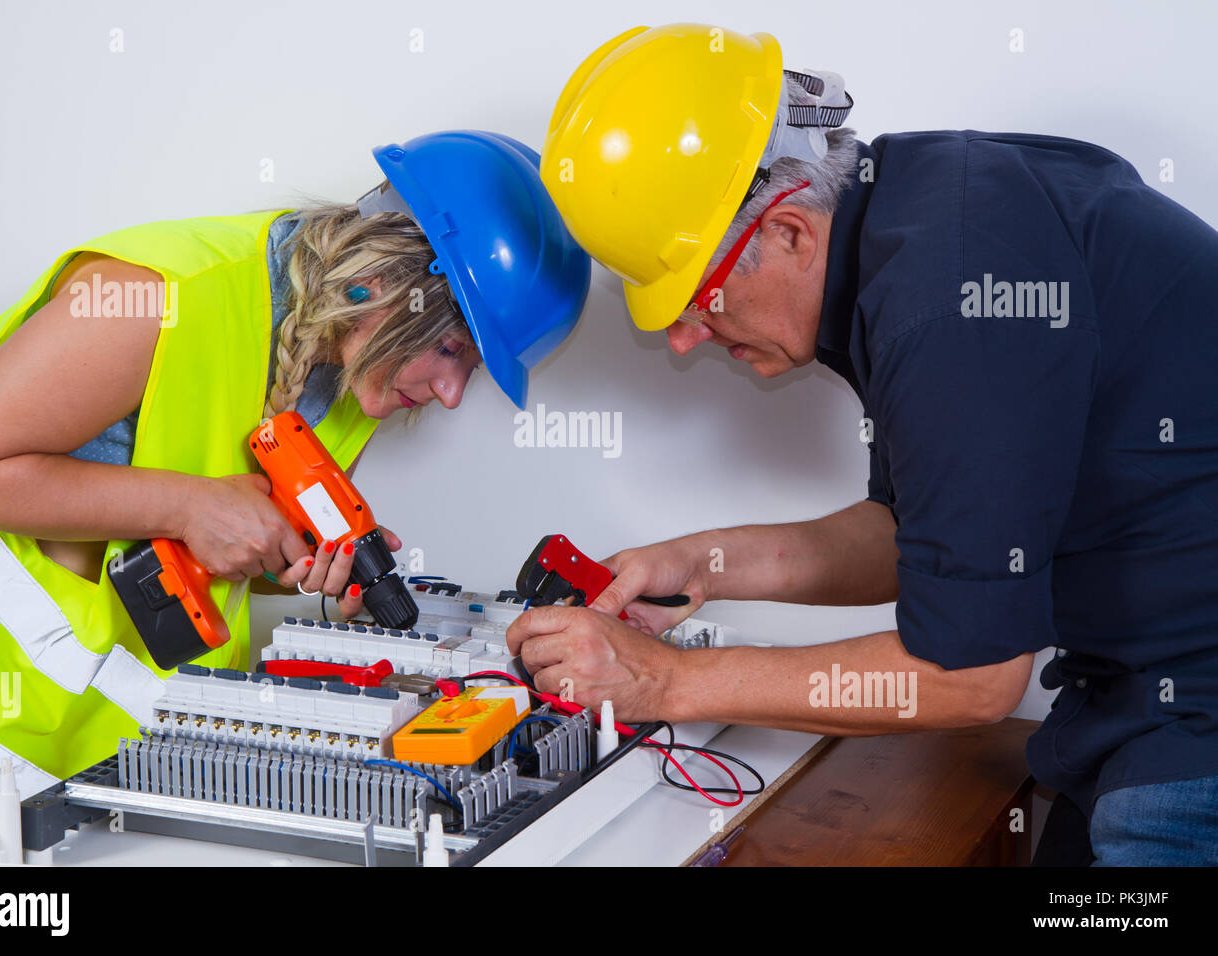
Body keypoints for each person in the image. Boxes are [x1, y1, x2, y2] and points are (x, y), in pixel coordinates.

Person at [508, 23, 1218, 865]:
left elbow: (972, 674)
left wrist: (662, 679)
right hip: (1138, 703)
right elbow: (919, 540)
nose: (686, 339)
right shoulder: (914, 228)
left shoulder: (950, 303)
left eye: (697, 297)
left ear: (790, 233)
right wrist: (701, 564)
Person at [0, 129, 589, 852]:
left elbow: (212, 547)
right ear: (385, 278)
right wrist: (191, 507)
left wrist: (299, 566)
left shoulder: (348, 376)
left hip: (98, 768)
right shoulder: (158, 296)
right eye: (450, 349)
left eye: (472, 369)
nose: (453, 394)